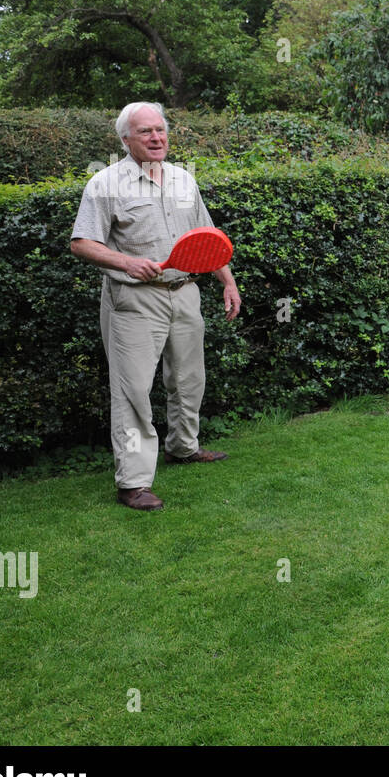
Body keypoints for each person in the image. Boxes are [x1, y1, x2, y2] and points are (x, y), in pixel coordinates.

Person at [69, 102, 241, 511]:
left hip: (184, 292)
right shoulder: (105, 184)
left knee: (188, 379)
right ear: (125, 139)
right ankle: (133, 482)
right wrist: (126, 261)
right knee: (133, 391)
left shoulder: (184, 180)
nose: (156, 138)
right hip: (133, 301)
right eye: (145, 132)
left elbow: (206, 239)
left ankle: (184, 447)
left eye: (160, 130)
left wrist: (228, 281)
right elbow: (81, 243)